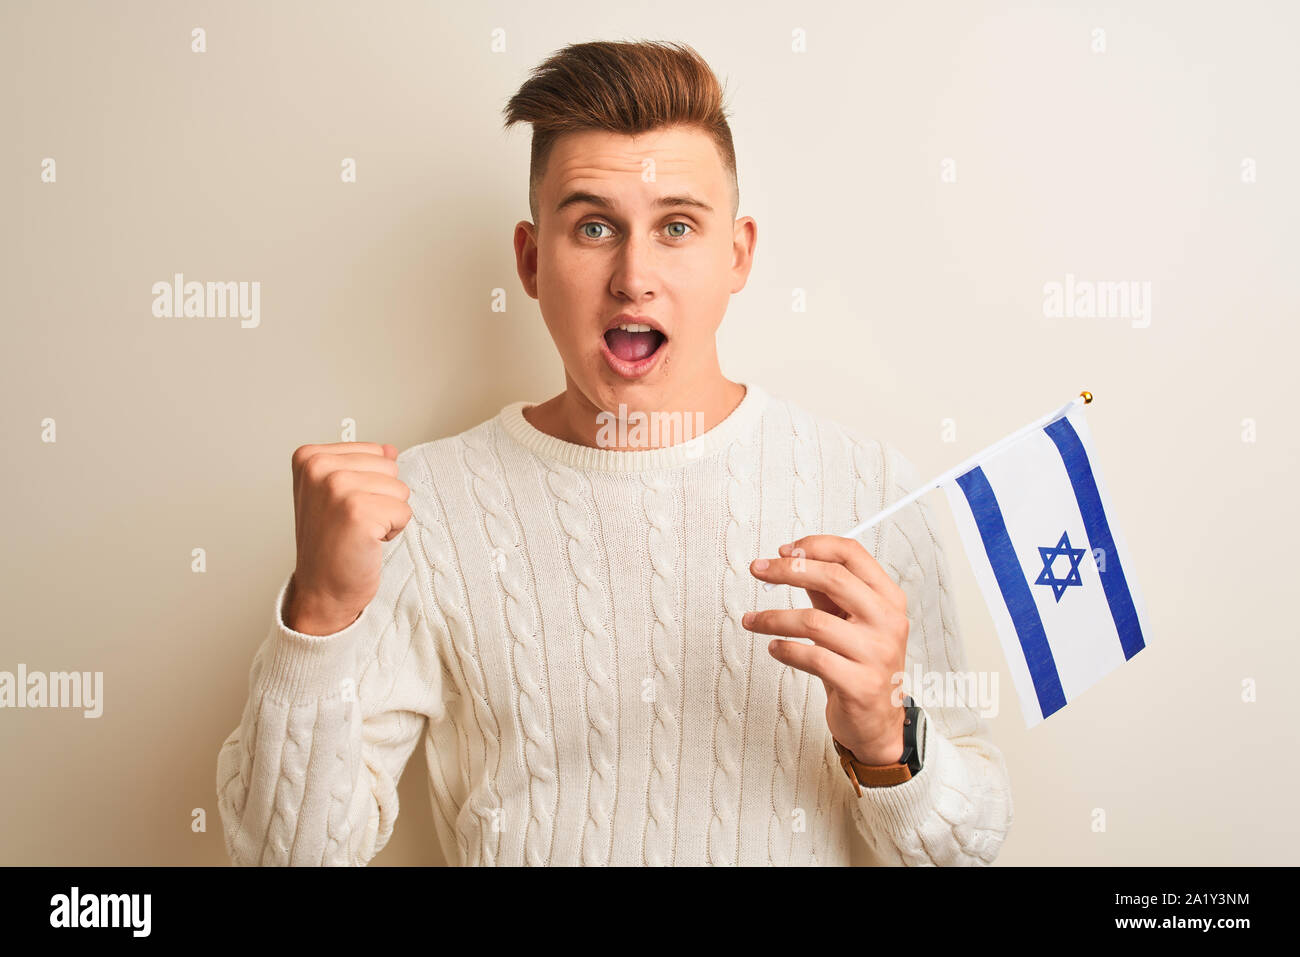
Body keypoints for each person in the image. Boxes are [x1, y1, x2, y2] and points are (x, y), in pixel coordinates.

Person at [215, 39, 1012, 866]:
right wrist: (319, 613)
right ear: (530, 260)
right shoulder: (425, 506)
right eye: (593, 226)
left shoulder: (869, 486)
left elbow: (968, 850)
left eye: (676, 227)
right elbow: (285, 856)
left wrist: (886, 739)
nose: (634, 276)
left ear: (736, 253)